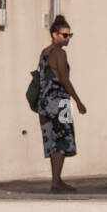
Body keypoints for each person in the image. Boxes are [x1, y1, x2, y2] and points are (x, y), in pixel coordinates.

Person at [38, 14, 85, 193]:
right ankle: (56, 181)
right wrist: (78, 101)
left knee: (52, 139)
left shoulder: (44, 52)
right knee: (62, 140)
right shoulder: (59, 53)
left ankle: (56, 179)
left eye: (69, 35)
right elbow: (64, 79)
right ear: (54, 34)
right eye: (64, 35)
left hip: (44, 102)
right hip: (59, 102)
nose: (68, 39)